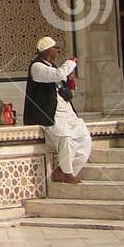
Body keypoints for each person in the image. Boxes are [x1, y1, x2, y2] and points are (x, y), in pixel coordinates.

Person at [24, 35, 93, 184]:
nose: (57, 51)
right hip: (51, 114)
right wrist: (71, 63)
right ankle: (67, 173)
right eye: (55, 48)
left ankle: (64, 171)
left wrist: (70, 79)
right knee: (66, 137)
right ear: (48, 50)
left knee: (84, 139)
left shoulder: (54, 67)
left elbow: (64, 85)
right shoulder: (37, 67)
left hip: (67, 112)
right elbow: (58, 75)